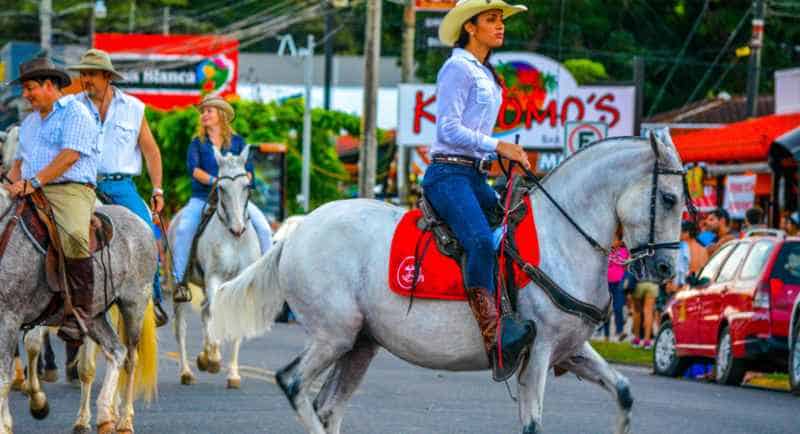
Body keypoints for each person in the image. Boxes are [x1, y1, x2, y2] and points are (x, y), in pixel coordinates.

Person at [424, 0, 533, 381]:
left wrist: (500, 152)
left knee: (519, 230)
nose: (500, 26)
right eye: (491, 20)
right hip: (447, 175)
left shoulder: (486, 71)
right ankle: (493, 337)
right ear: (470, 27)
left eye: (501, 20)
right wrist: (499, 146)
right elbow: (448, 130)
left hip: (474, 175)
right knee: (482, 242)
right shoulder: (457, 67)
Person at [68, 49, 169, 327]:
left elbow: (151, 152)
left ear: (107, 77)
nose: (84, 79)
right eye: (82, 73)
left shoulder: (134, 108)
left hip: (122, 186)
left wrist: (157, 190)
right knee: (61, 231)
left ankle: (154, 298)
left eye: (90, 74)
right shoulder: (72, 106)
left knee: (147, 231)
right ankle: (64, 299)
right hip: (82, 184)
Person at [4, 57, 100, 343]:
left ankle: (80, 311)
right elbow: (18, 164)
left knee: (73, 235)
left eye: (30, 88)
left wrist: (34, 182)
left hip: (69, 189)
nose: (25, 95)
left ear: (49, 85)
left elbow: (70, 156)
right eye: (24, 89)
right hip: (30, 189)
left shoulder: (76, 113)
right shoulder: (31, 122)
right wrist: (8, 185)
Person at [171, 96, 272, 302]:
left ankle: (267, 280)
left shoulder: (238, 142)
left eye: (209, 111)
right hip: (203, 198)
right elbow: (195, 170)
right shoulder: (197, 144)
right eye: (203, 112)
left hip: (235, 199)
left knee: (263, 228)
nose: (204, 115)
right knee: (183, 230)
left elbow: (250, 172)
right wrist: (216, 181)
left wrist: (236, 183)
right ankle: (180, 281)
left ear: (221, 115)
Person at [602, 229, 628, 342]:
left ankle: (620, 331)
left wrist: (625, 281)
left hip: (619, 283)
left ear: (620, 241)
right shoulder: (607, 251)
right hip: (606, 283)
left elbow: (627, 268)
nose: (612, 241)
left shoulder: (625, 251)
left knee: (618, 308)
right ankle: (606, 335)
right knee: (607, 309)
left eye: (615, 239)